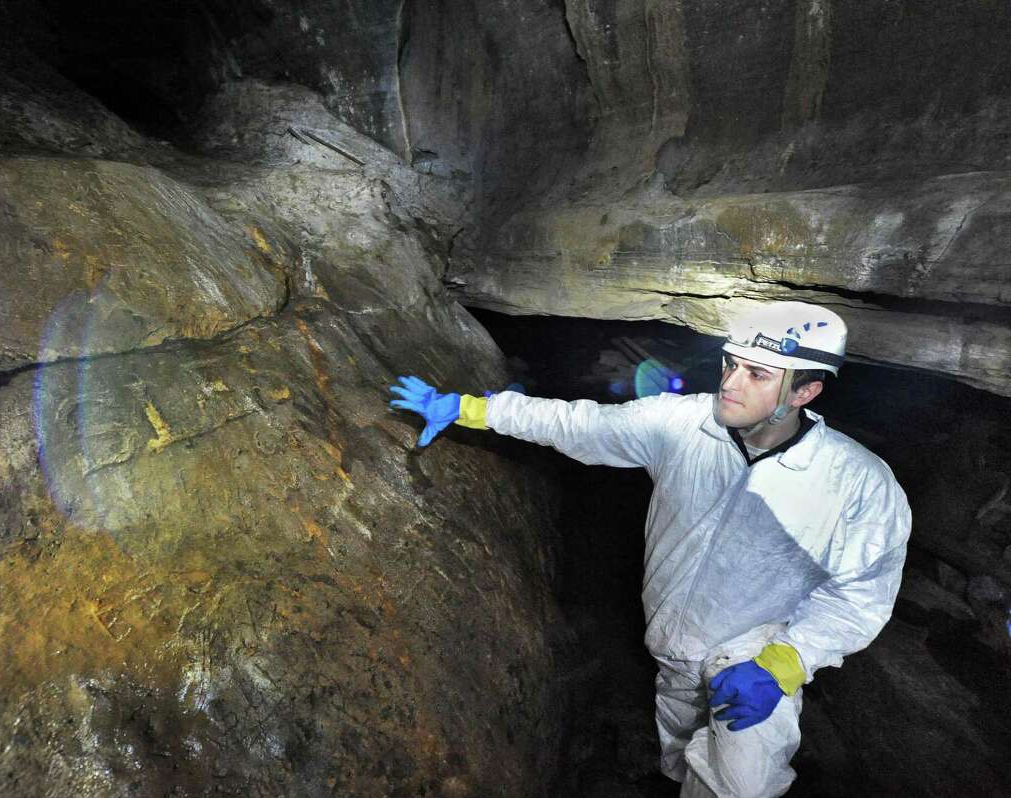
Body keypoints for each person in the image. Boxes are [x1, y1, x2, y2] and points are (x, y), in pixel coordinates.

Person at [389, 301, 911, 797]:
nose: (728, 383)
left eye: (757, 374)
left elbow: (861, 594)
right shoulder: (681, 425)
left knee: (743, 786)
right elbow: (579, 424)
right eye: (731, 364)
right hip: (670, 642)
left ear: (804, 392)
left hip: (755, 657)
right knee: (680, 750)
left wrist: (784, 664)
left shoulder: (858, 482)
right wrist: (470, 408)